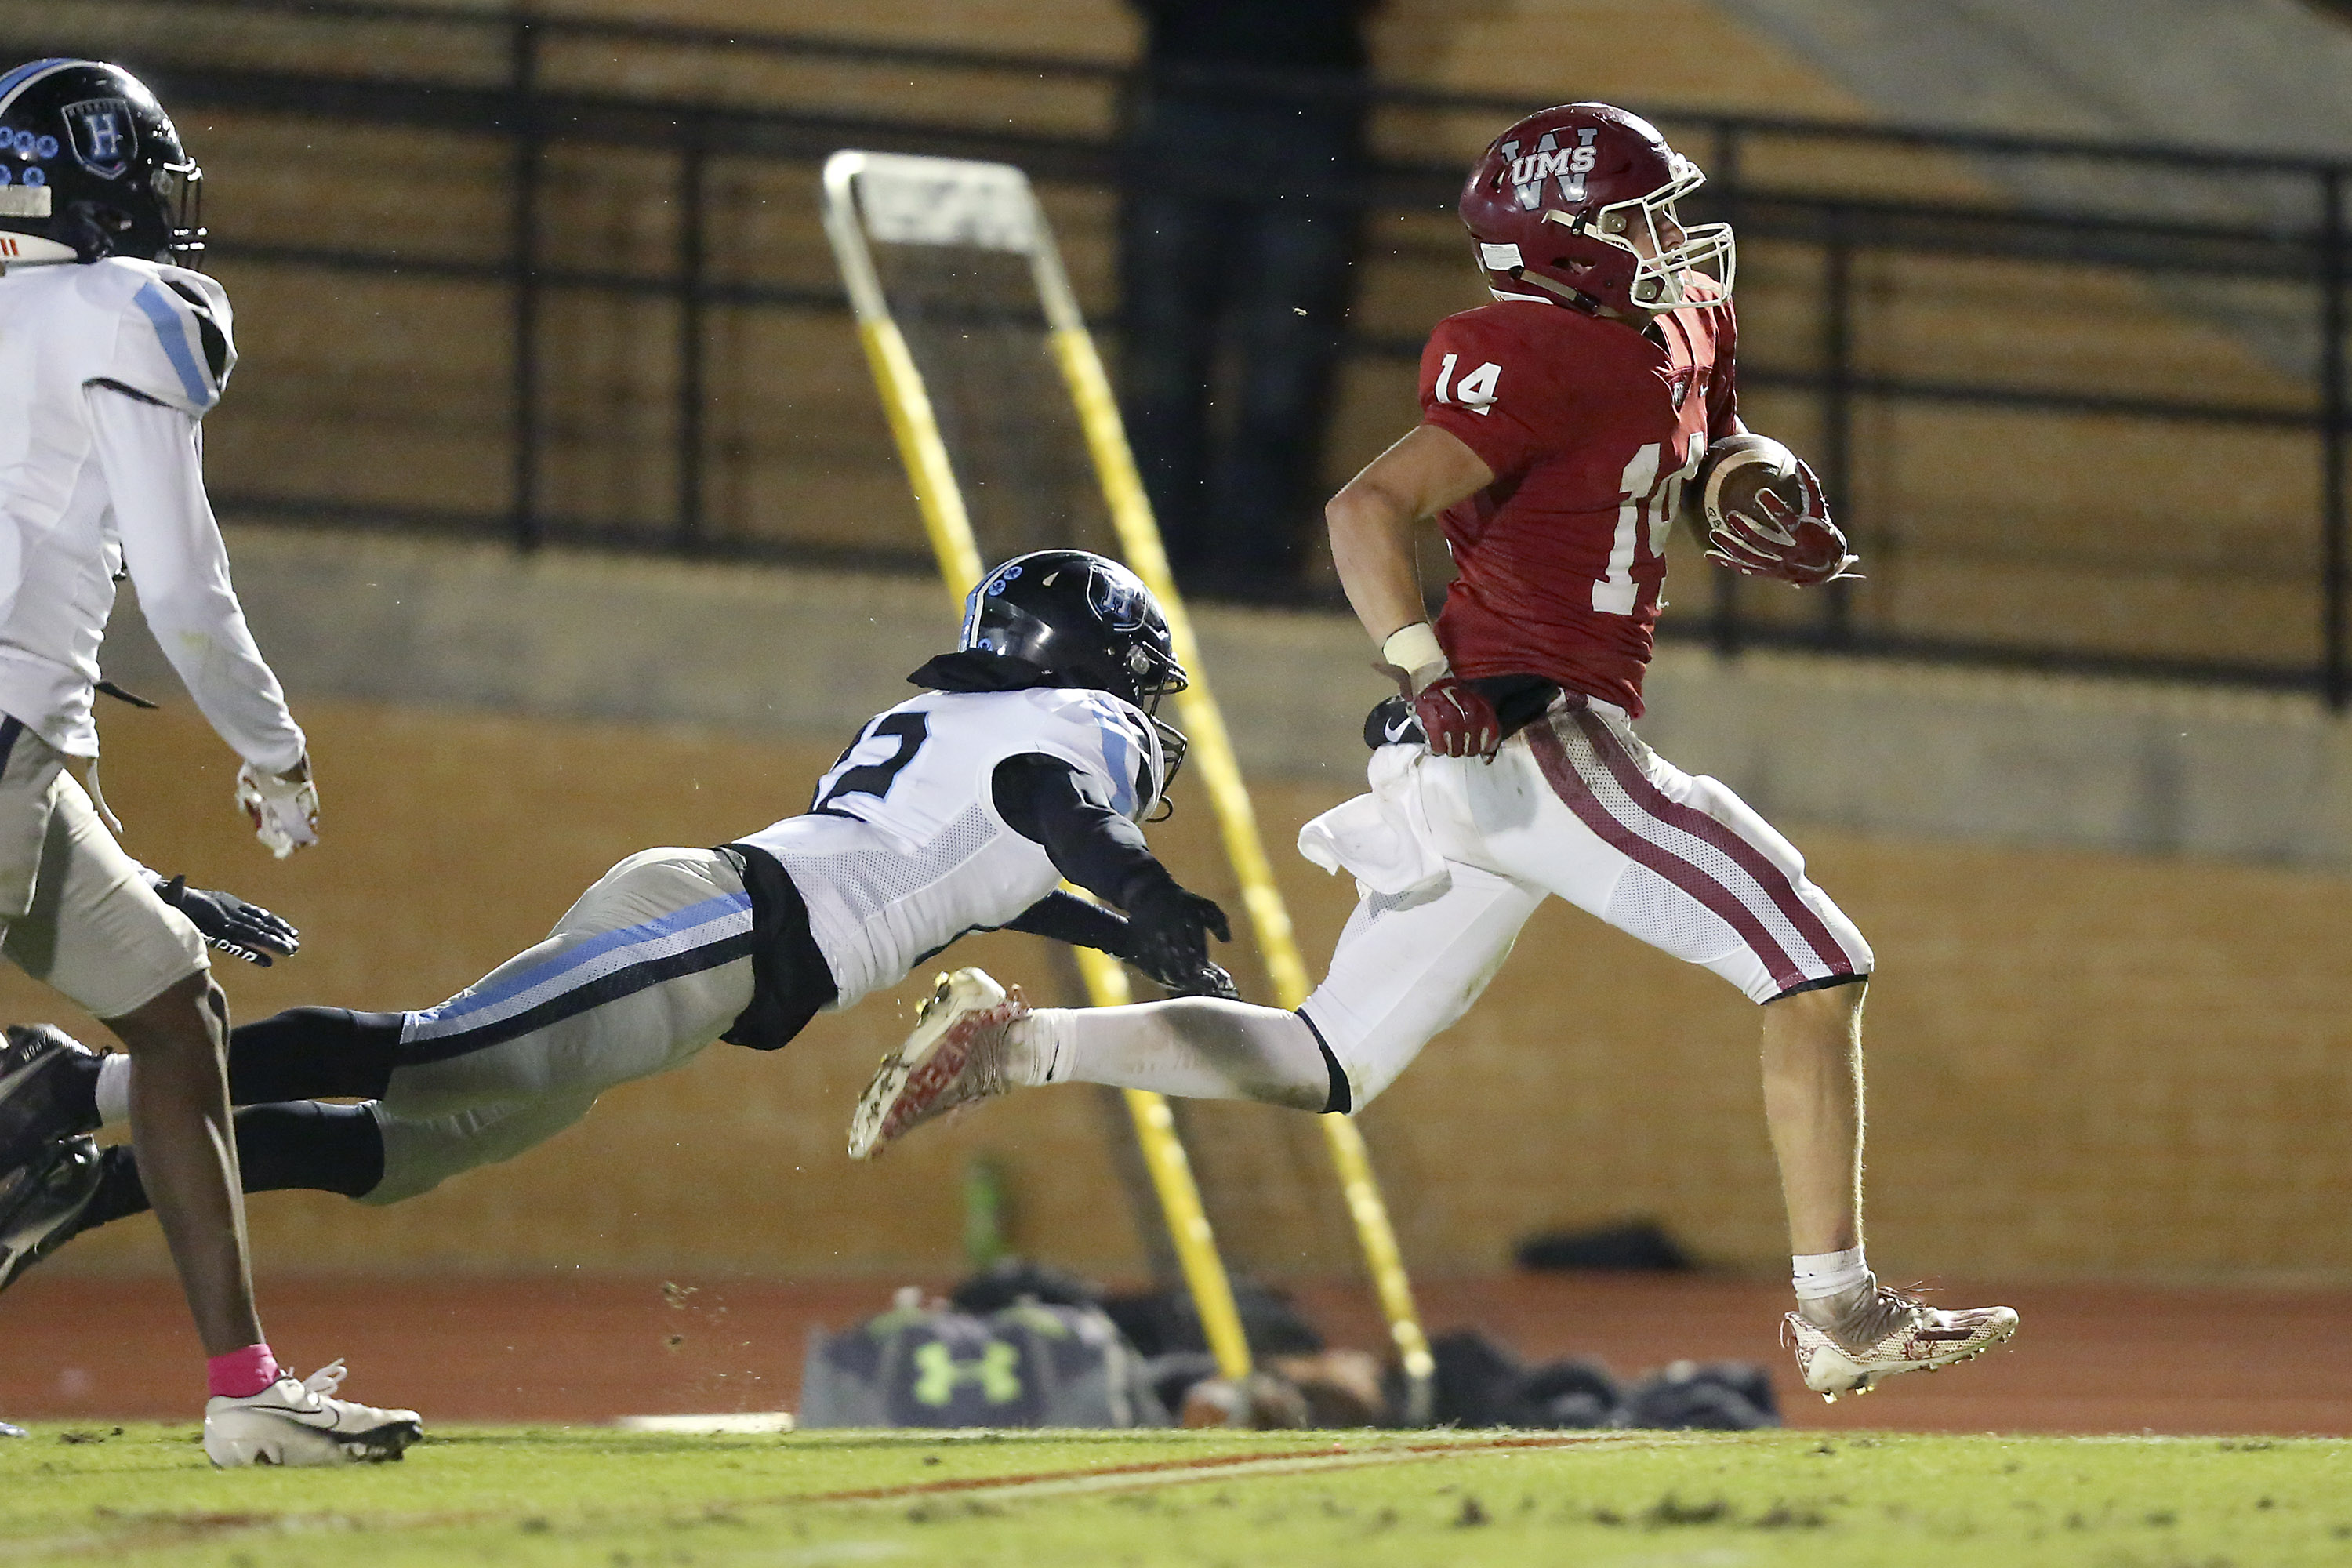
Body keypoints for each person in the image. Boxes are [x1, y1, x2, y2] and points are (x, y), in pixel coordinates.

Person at [851, 104, 2020, 1403]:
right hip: (1523, 730)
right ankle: (1839, 1308)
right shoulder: (1526, 350)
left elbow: (1687, 446)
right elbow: (1369, 507)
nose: (1673, 241)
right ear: (1562, 245)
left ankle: (1017, 1049)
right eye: (1640, 219)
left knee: (1328, 1060)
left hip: (1489, 758)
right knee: (1816, 966)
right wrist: (1424, 662)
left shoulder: (1671, 326)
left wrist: (1746, 482)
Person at [2, 551, 1238, 1279]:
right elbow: (1057, 810)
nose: (1145, 702)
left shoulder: (966, 725)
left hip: (724, 932)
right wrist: (1149, 892)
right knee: (437, 1055)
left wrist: (1133, 932)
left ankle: (72, 1194)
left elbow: (977, 874)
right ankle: (79, 1090)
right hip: (723, 932)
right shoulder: (1067, 738)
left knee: (408, 1149)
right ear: (1085, 658)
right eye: (1134, 672)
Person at [0, 58, 419, 1464]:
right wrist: (276, 751)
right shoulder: (133, 305)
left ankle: (246, 1391)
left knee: (178, 1007)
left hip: (28, 751)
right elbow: (181, 586)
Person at [1118, 0, 1381, 601]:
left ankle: (1201, 574)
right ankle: (1200, 573)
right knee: (1204, 361)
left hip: (1242, 89)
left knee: (1259, 365)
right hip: (1267, 89)